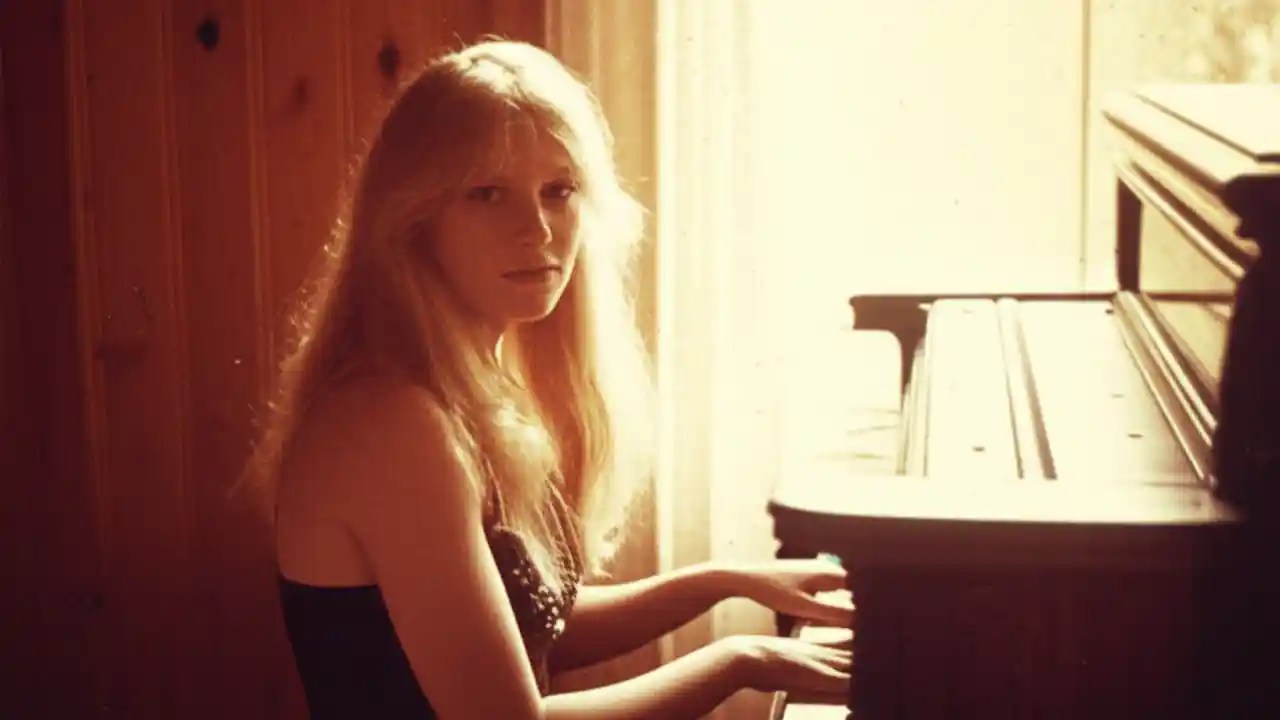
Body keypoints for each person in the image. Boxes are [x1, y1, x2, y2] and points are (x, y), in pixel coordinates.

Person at [238, 39, 852, 719]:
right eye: (487, 193)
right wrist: (742, 659)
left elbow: (533, 624)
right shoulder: (391, 421)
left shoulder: (469, 384)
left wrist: (724, 582)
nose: (536, 229)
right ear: (413, 219)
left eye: (558, 191)